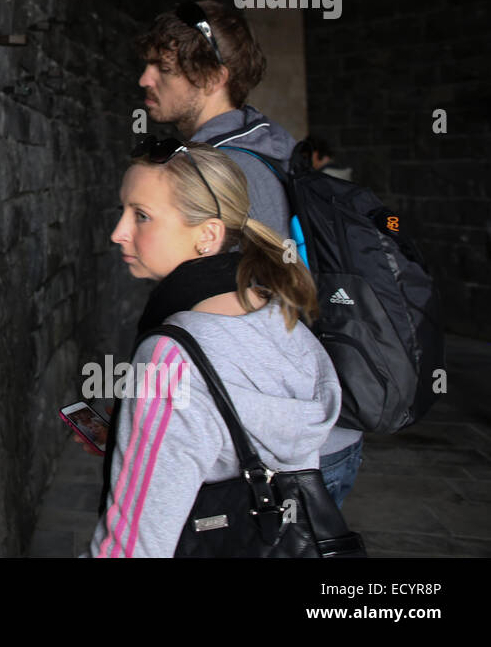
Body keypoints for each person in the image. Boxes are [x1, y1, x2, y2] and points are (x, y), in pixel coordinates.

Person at [131, 0, 363, 505]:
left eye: (164, 69)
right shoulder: (266, 145)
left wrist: (162, 426)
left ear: (215, 75)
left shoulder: (227, 171)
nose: (146, 79)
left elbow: (235, 327)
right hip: (303, 434)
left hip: (282, 452)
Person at [86, 140, 341, 557]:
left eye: (142, 216)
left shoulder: (172, 357)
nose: (118, 233)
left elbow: (132, 550)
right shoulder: (281, 316)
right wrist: (138, 429)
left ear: (208, 235)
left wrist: (154, 413)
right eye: (123, 211)